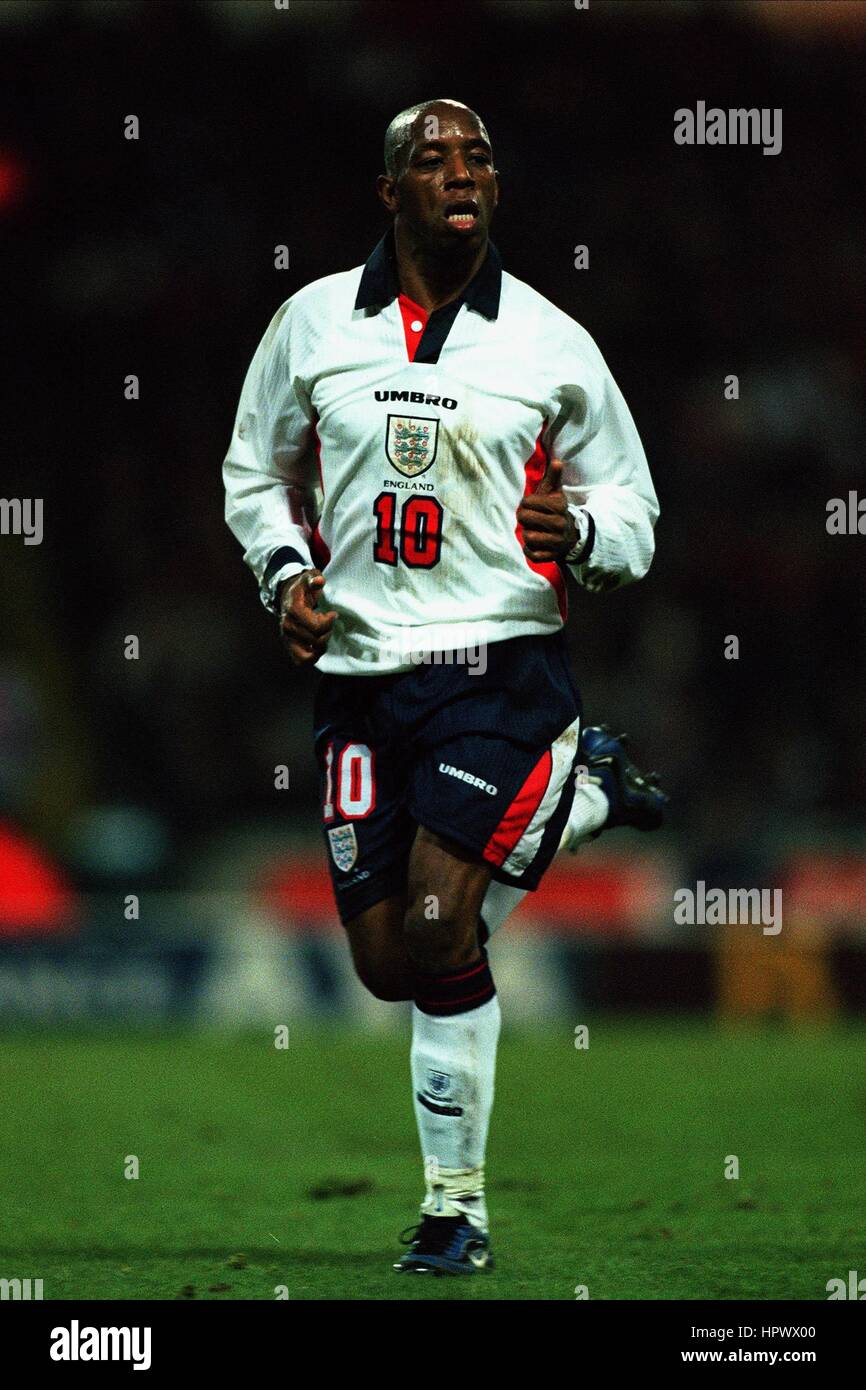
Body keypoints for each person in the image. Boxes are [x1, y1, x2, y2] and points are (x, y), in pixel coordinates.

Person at [224, 99, 660, 1275]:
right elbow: (252, 473)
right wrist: (283, 572)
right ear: (390, 192)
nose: (457, 170)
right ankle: (586, 798)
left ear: (494, 188)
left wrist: (578, 528)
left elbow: (634, 510)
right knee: (382, 961)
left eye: (474, 156)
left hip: (498, 667)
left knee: (435, 922)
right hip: (362, 676)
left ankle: (453, 1207)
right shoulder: (312, 322)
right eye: (430, 158)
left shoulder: (550, 341)